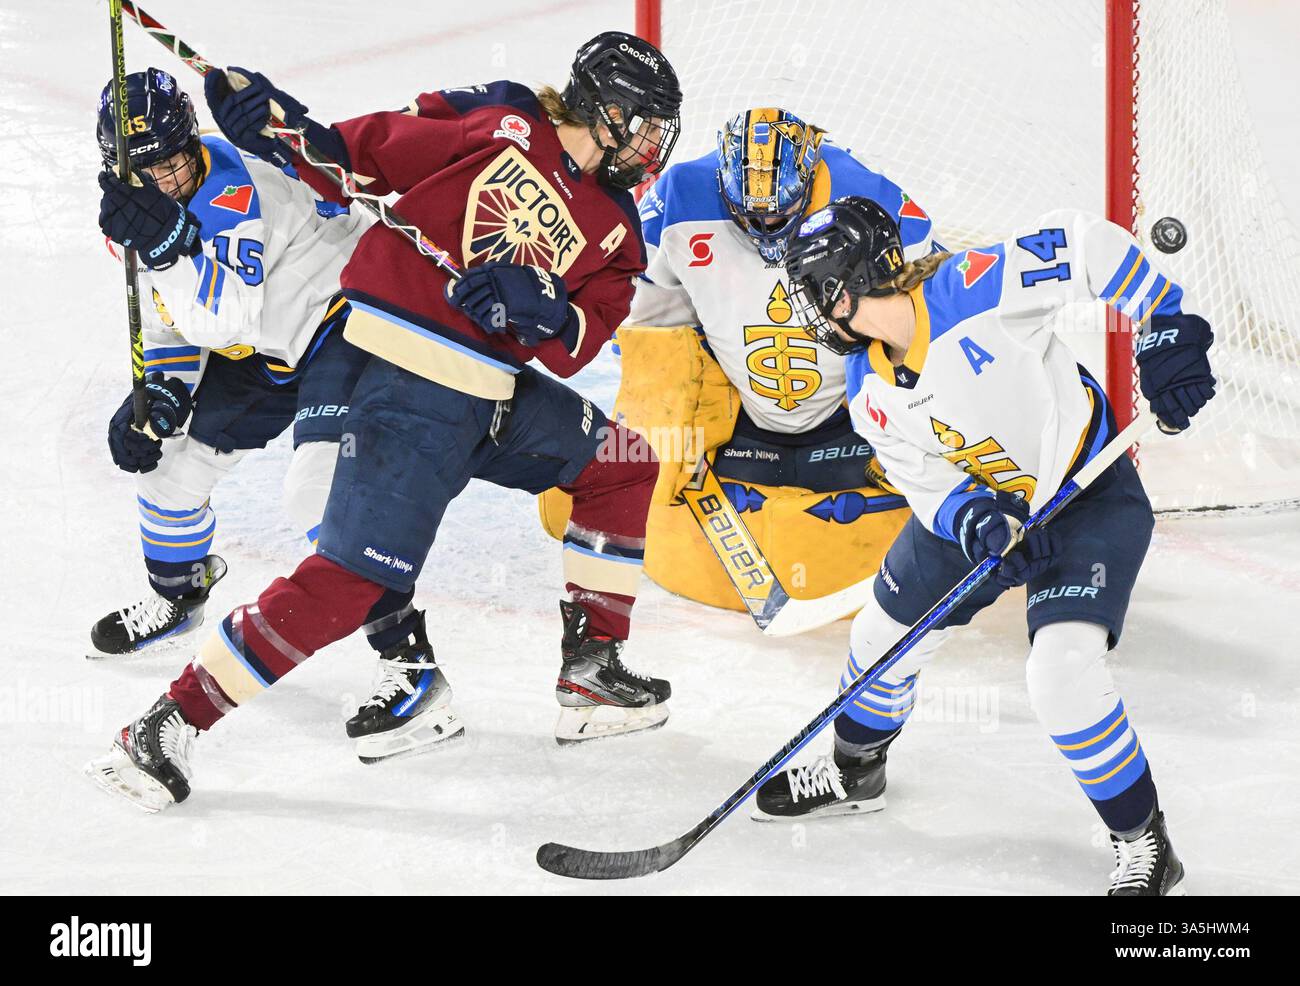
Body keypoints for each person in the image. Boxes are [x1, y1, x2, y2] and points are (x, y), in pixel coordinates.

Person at [87, 32, 685, 809]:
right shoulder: (506, 120)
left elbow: (580, 342)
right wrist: (282, 128)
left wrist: (543, 309)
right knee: (351, 572)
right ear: (603, 108)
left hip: (488, 392)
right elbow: (365, 155)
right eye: (642, 122)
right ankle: (171, 723)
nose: (651, 144)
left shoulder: (619, 231)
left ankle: (594, 672)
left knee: (621, 461)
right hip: (402, 368)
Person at [757, 196, 1215, 895]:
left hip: (1086, 496)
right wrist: (973, 521)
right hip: (987, 509)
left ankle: (1143, 840)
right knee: (881, 635)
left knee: (1059, 674)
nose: (811, 315)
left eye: (814, 295)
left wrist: (1164, 323)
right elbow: (928, 484)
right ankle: (857, 771)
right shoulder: (867, 388)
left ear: (845, 286)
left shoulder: (971, 287)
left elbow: (1087, 244)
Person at [606, 108, 935, 608]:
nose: (765, 226)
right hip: (738, 420)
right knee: (640, 409)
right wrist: (664, 413)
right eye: (751, 215)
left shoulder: (873, 195)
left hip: (851, 419)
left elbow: (927, 309)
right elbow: (642, 322)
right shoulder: (676, 195)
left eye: (781, 213)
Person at [91, 68, 370, 655]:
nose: (166, 178)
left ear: (192, 139)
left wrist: (170, 251)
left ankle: (407, 657)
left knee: (316, 489)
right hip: (266, 344)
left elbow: (225, 319)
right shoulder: (135, 219)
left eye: (174, 159)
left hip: (339, 319)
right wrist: (163, 386)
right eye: (148, 168)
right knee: (166, 471)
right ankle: (179, 600)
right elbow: (173, 315)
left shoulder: (234, 191)